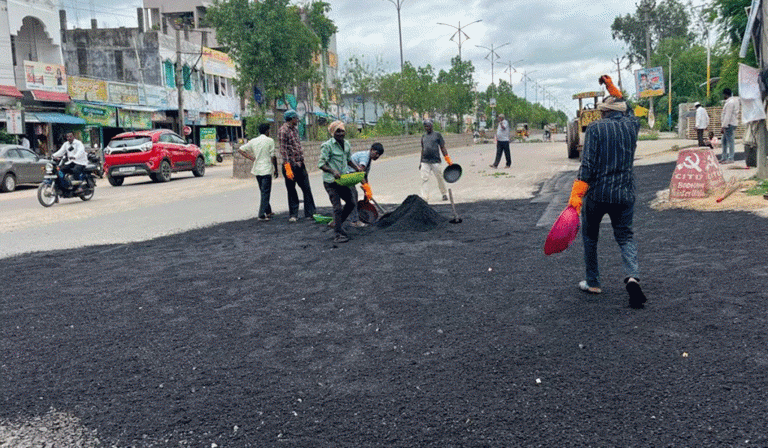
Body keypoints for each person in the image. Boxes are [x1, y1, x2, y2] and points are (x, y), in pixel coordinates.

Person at [568, 74, 646, 309]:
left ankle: (593, 282)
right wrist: (613, 88)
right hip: (624, 193)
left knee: (591, 237)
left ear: (602, 111)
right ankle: (632, 277)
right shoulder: (632, 125)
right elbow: (630, 109)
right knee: (625, 236)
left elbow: (588, 165)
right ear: (622, 111)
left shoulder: (595, 129)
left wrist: (576, 194)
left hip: (598, 194)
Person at [319, 121, 363, 243]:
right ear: (332, 132)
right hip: (331, 181)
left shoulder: (347, 144)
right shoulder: (327, 146)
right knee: (337, 208)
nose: (340, 133)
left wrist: (356, 168)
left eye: (342, 130)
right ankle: (338, 234)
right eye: (337, 131)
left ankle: (337, 225)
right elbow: (321, 164)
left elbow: (348, 160)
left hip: (343, 180)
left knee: (351, 203)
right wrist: (332, 171)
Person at [278, 109, 316, 221]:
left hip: (300, 164)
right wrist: (287, 167)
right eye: (296, 118)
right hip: (290, 165)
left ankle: (310, 213)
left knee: (307, 188)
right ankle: (293, 215)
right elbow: (283, 150)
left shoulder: (295, 130)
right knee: (291, 189)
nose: (297, 120)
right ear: (291, 118)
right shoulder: (283, 130)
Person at [238, 123, 278, 221]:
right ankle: (261, 214)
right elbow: (273, 156)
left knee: (263, 191)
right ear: (267, 131)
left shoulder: (253, 141)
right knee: (265, 192)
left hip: (257, 169)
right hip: (266, 169)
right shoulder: (270, 141)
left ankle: (268, 210)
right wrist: (276, 169)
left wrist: (251, 158)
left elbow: (240, 150)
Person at [345, 143, 385, 226]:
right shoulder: (365, 157)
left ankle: (346, 215)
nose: (377, 156)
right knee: (353, 196)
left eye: (379, 155)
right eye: (376, 153)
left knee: (351, 198)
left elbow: (365, 176)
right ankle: (354, 221)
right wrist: (366, 188)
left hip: (352, 176)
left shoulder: (369, 160)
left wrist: (367, 191)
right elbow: (360, 173)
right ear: (371, 150)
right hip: (346, 175)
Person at [420, 120, 451, 202]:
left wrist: (448, 159)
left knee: (439, 178)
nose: (427, 128)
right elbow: (423, 149)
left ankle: (444, 194)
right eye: (425, 126)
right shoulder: (423, 136)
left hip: (435, 161)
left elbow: (442, 147)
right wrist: (420, 162)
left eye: (428, 126)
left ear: (432, 126)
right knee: (424, 179)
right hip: (425, 161)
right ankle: (424, 197)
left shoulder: (437, 135)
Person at [720, 88, 740, 164]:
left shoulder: (730, 103)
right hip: (731, 123)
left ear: (725, 94)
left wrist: (723, 126)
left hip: (729, 124)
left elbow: (727, 115)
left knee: (730, 141)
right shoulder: (734, 101)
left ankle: (730, 158)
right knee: (724, 141)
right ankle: (724, 158)